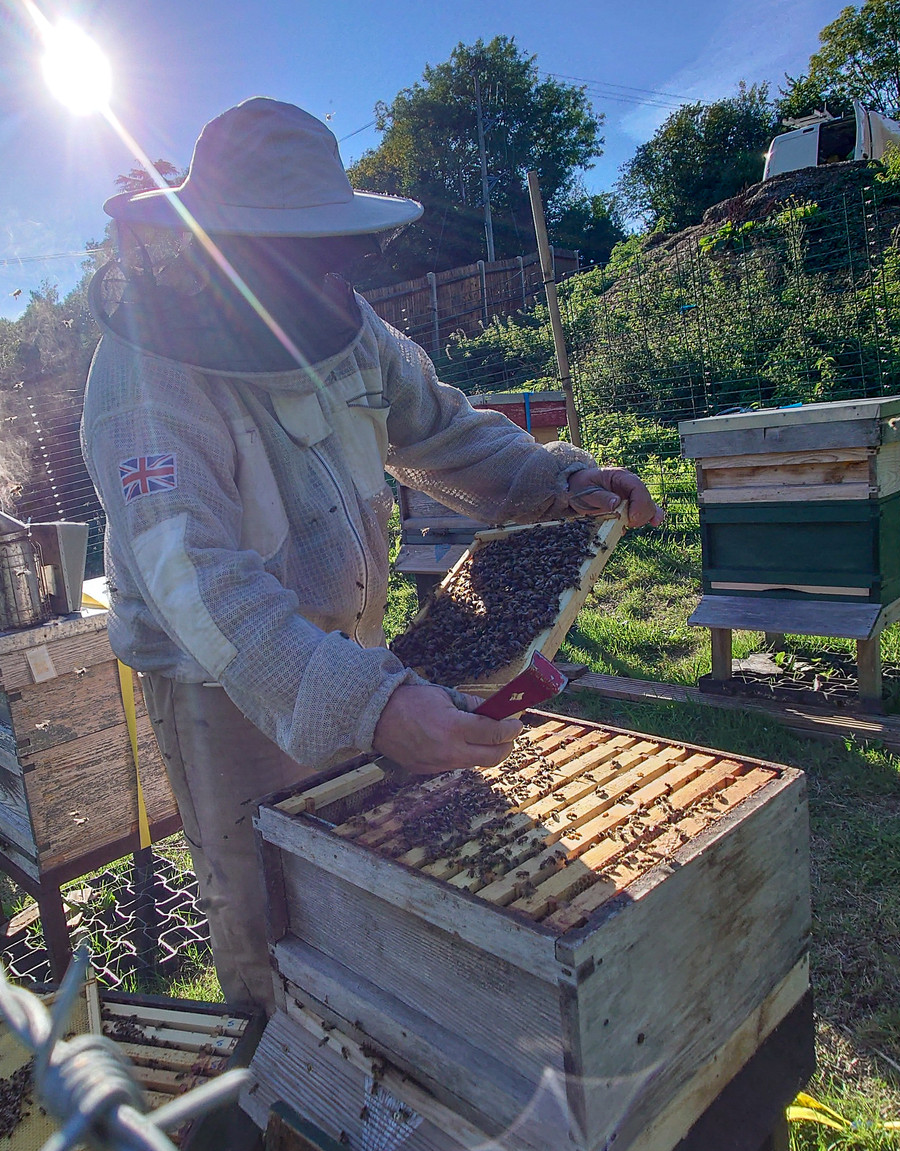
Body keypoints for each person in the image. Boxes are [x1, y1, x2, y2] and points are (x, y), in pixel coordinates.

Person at [81, 98, 662, 1009]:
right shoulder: (144, 376)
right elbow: (193, 580)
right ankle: (281, 1104)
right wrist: (370, 702)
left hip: (349, 647)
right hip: (219, 682)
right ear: (215, 245)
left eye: (324, 250)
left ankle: (376, 1075)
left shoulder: (349, 333)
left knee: (357, 883)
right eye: (284, 251)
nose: (318, 276)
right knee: (268, 910)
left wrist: (559, 480)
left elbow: (443, 428)